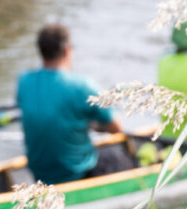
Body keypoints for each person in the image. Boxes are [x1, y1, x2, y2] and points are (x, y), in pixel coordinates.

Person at [16, 24, 134, 184]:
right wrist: (95, 126)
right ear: (67, 50)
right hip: (74, 174)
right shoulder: (82, 86)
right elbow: (117, 128)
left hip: (39, 174)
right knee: (121, 158)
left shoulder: (24, 82)